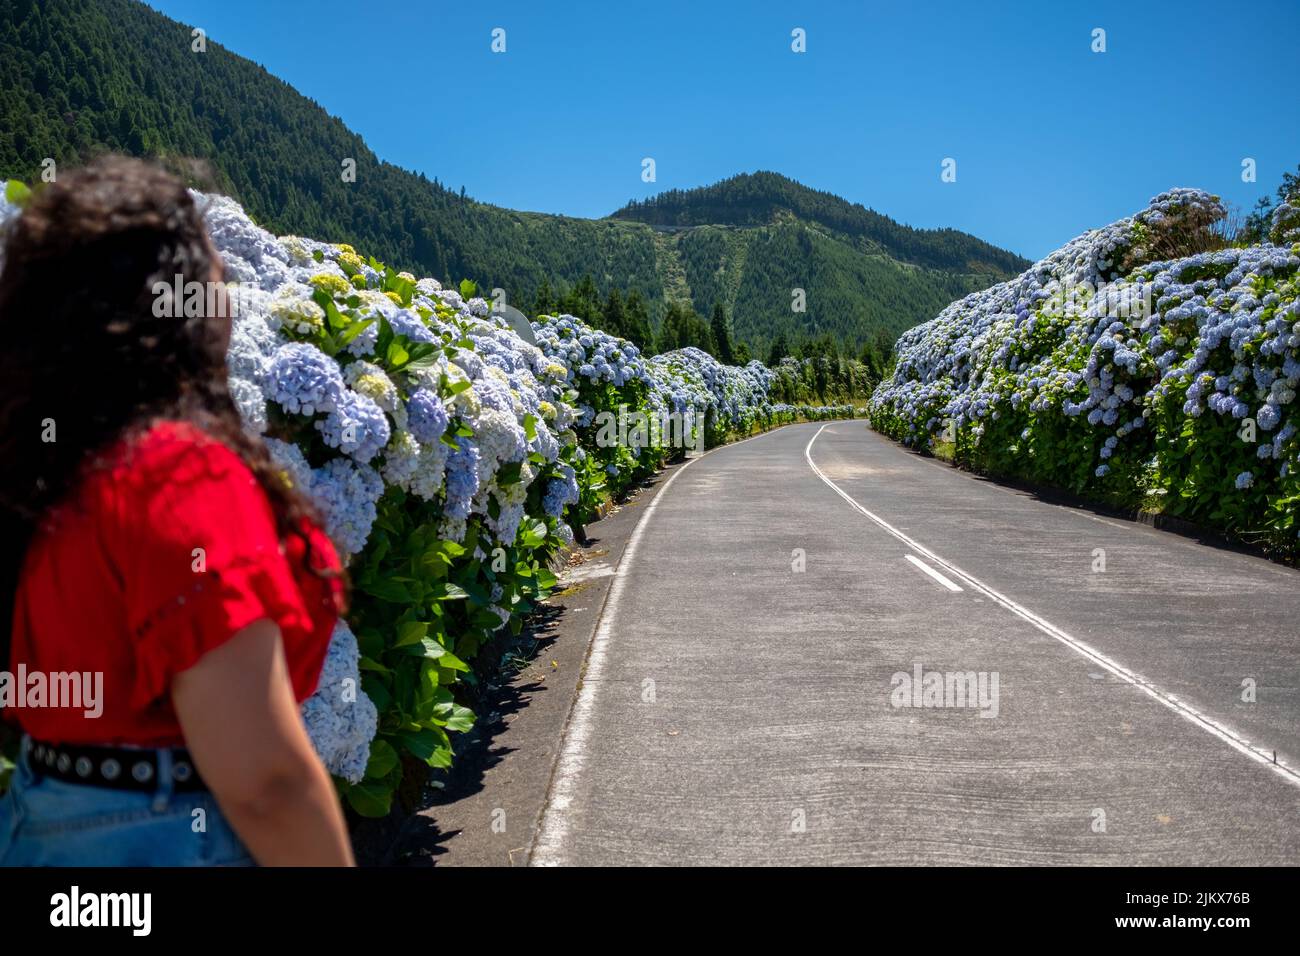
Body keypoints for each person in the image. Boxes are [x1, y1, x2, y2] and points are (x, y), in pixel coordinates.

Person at [0, 157, 355, 866]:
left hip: (43, 824)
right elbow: (267, 782)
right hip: (170, 832)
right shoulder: (178, 471)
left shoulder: (50, 467)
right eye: (215, 267)